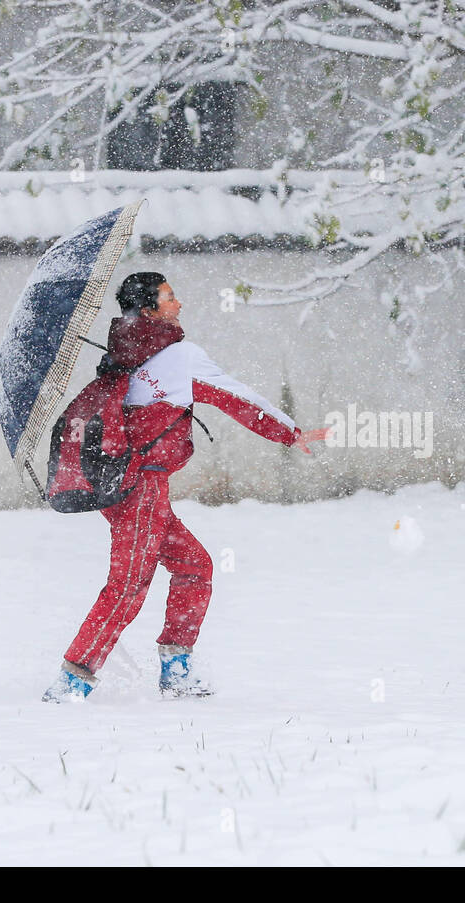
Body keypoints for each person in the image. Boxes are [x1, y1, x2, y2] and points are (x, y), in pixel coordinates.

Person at [44, 272, 329, 702]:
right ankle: (72, 681)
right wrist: (289, 432)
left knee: (194, 566)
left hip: (127, 485)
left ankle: (176, 668)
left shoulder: (131, 352)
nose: (180, 304)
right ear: (149, 310)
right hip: (140, 488)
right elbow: (236, 397)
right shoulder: (177, 357)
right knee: (128, 586)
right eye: (170, 297)